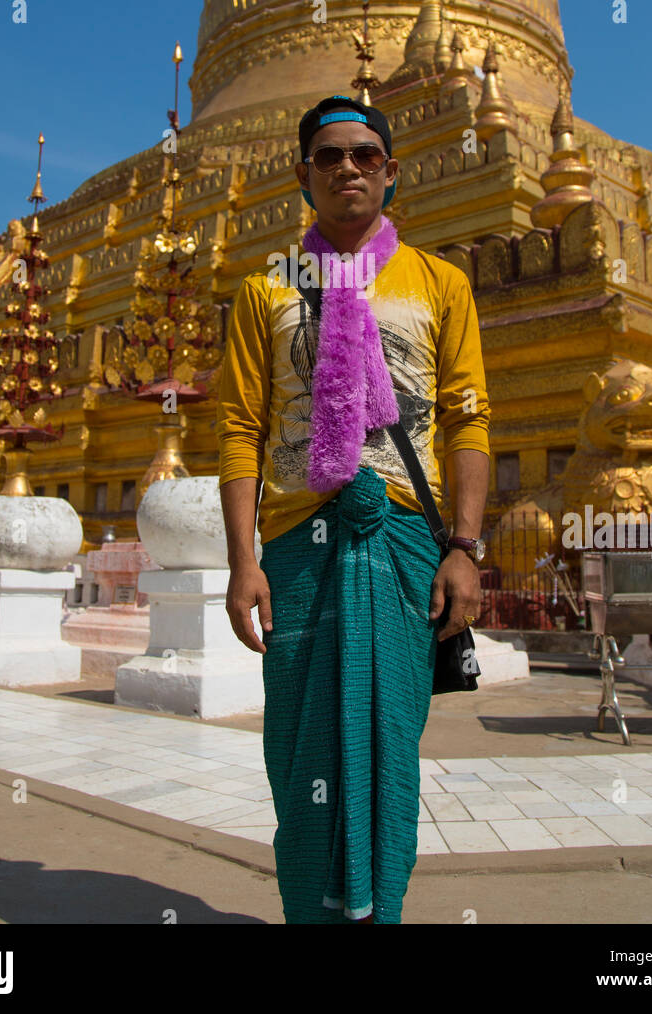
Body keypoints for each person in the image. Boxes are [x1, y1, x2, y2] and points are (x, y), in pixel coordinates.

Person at [218, 93, 491, 924]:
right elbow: (239, 427)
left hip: (406, 539)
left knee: (387, 751)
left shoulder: (440, 283)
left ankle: (380, 910)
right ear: (304, 175)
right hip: (300, 543)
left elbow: (469, 417)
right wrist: (241, 564)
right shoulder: (267, 290)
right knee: (300, 750)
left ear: (390, 173)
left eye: (364, 155)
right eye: (329, 156)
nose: (347, 168)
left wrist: (466, 548)